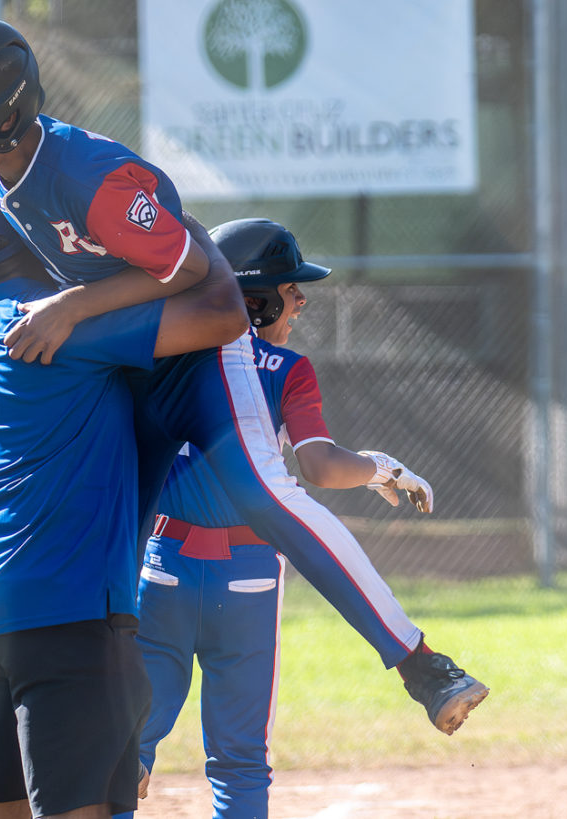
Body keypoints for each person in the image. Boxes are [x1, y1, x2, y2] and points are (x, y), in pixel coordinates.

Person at [0, 15, 487, 764]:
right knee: (120, 535)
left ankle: (420, 662)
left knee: (265, 494)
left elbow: (192, 274)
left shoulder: (88, 175)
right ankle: (109, 739)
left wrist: (72, 306)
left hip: (199, 352)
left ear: (5, 119)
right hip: (128, 359)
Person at [123, 218, 487, 819]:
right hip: (246, 576)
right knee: (239, 761)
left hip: (162, 569)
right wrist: (380, 467)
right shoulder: (282, 367)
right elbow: (319, 466)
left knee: (122, 750)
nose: (301, 302)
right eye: (291, 290)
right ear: (255, 302)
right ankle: (422, 665)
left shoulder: (157, 359)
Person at [0, 184, 246, 818]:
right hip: (66, 611)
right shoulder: (69, 327)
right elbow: (223, 314)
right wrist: (183, 232)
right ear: (48, 238)